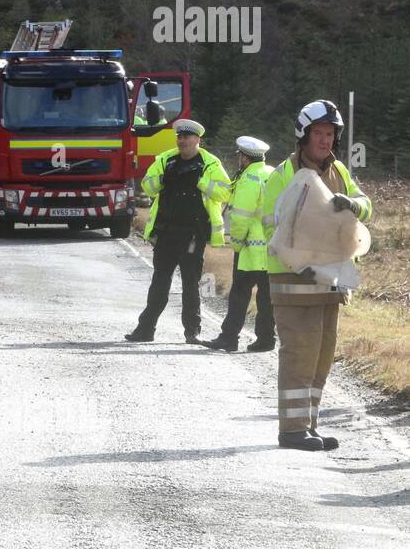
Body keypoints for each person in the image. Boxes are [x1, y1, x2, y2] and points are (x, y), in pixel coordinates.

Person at [261, 100, 372, 452]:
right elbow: (272, 226)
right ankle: (291, 429)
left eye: (330, 135)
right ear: (303, 136)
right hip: (294, 278)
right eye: (319, 134)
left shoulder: (338, 169)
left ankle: (309, 424)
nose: (325, 141)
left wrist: (353, 205)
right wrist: (303, 254)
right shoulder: (284, 174)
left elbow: (365, 204)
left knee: (322, 353)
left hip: (330, 278)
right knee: (299, 351)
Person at [125, 119, 232, 344]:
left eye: (187, 138)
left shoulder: (210, 163)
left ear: (197, 140)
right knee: (159, 283)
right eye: (180, 137)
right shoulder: (165, 160)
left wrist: (202, 183)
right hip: (167, 233)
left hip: (193, 234)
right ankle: (145, 329)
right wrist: (163, 180)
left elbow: (224, 193)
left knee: (191, 284)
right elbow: (147, 185)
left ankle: (192, 331)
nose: (183, 141)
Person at [202, 136, 275, 352]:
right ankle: (266, 339)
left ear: (244, 157)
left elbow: (242, 216)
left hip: (250, 250)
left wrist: (235, 243)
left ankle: (229, 338)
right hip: (270, 249)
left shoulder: (249, 178)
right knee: (266, 297)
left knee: (239, 294)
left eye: (239, 156)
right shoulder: (270, 173)